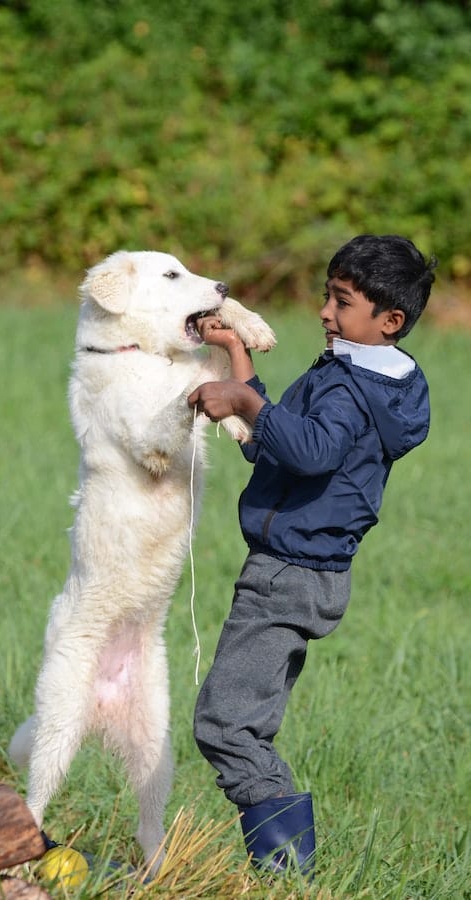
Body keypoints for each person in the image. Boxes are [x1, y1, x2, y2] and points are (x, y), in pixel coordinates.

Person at [187, 234, 437, 877]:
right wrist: (238, 359)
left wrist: (247, 403)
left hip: (286, 574)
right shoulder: (364, 378)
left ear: (390, 320)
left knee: (226, 726)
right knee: (244, 719)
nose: (325, 311)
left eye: (342, 301)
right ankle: (283, 869)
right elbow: (274, 441)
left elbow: (310, 450)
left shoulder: (350, 388)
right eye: (328, 294)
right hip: (308, 572)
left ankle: (287, 872)